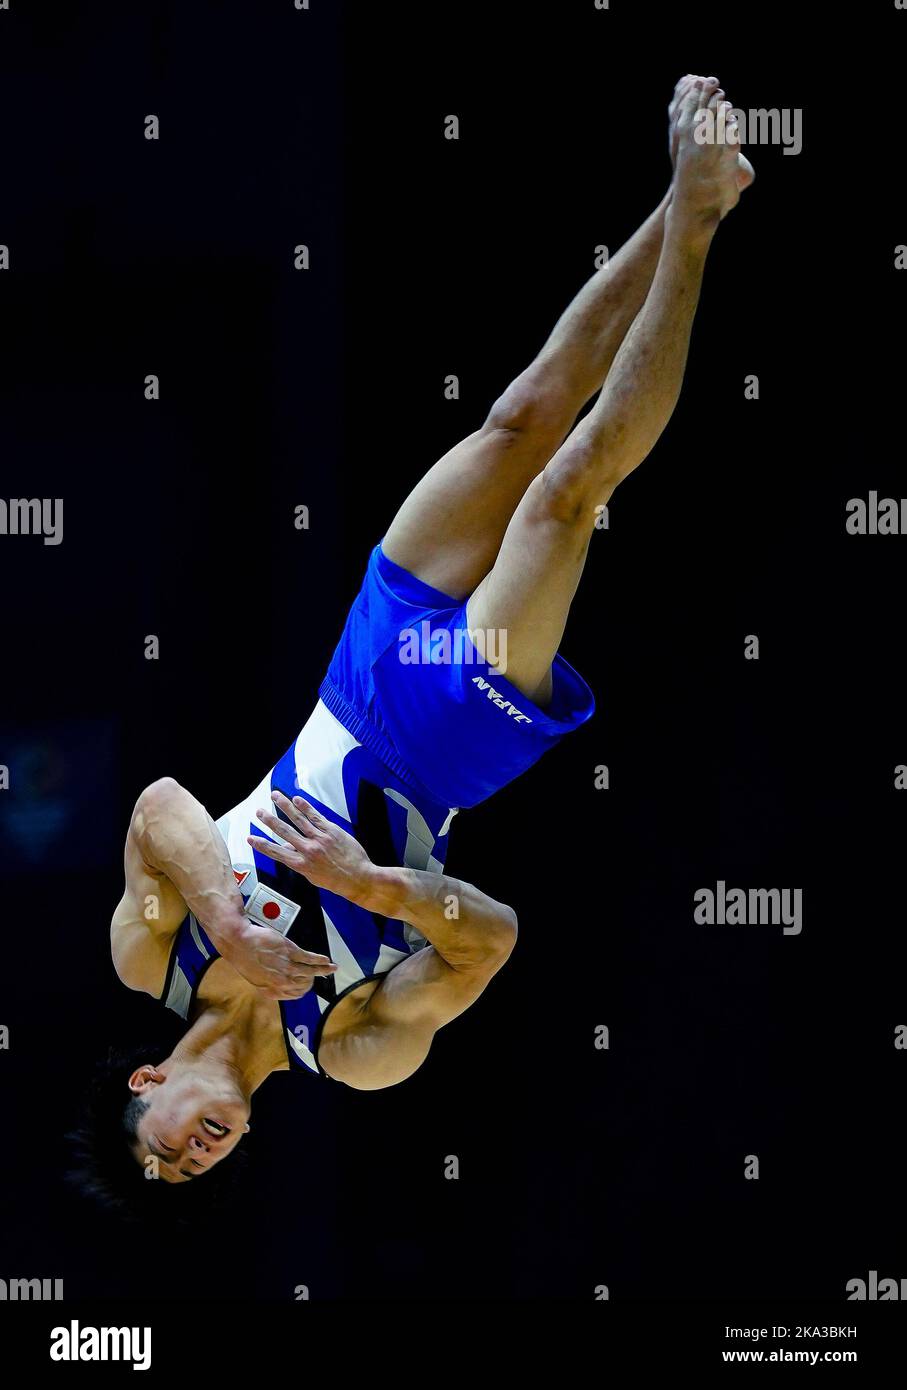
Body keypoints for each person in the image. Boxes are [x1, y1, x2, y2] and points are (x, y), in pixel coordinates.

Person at [72, 77, 754, 1204]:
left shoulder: (149, 954)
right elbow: (494, 938)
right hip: (439, 743)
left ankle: (698, 186)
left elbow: (157, 808)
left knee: (524, 412)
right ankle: (691, 228)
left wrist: (228, 927)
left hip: (357, 670)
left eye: (165, 1143)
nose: (196, 1154)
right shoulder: (350, 1050)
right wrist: (374, 888)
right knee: (566, 491)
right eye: (197, 1171)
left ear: (148, 1078)